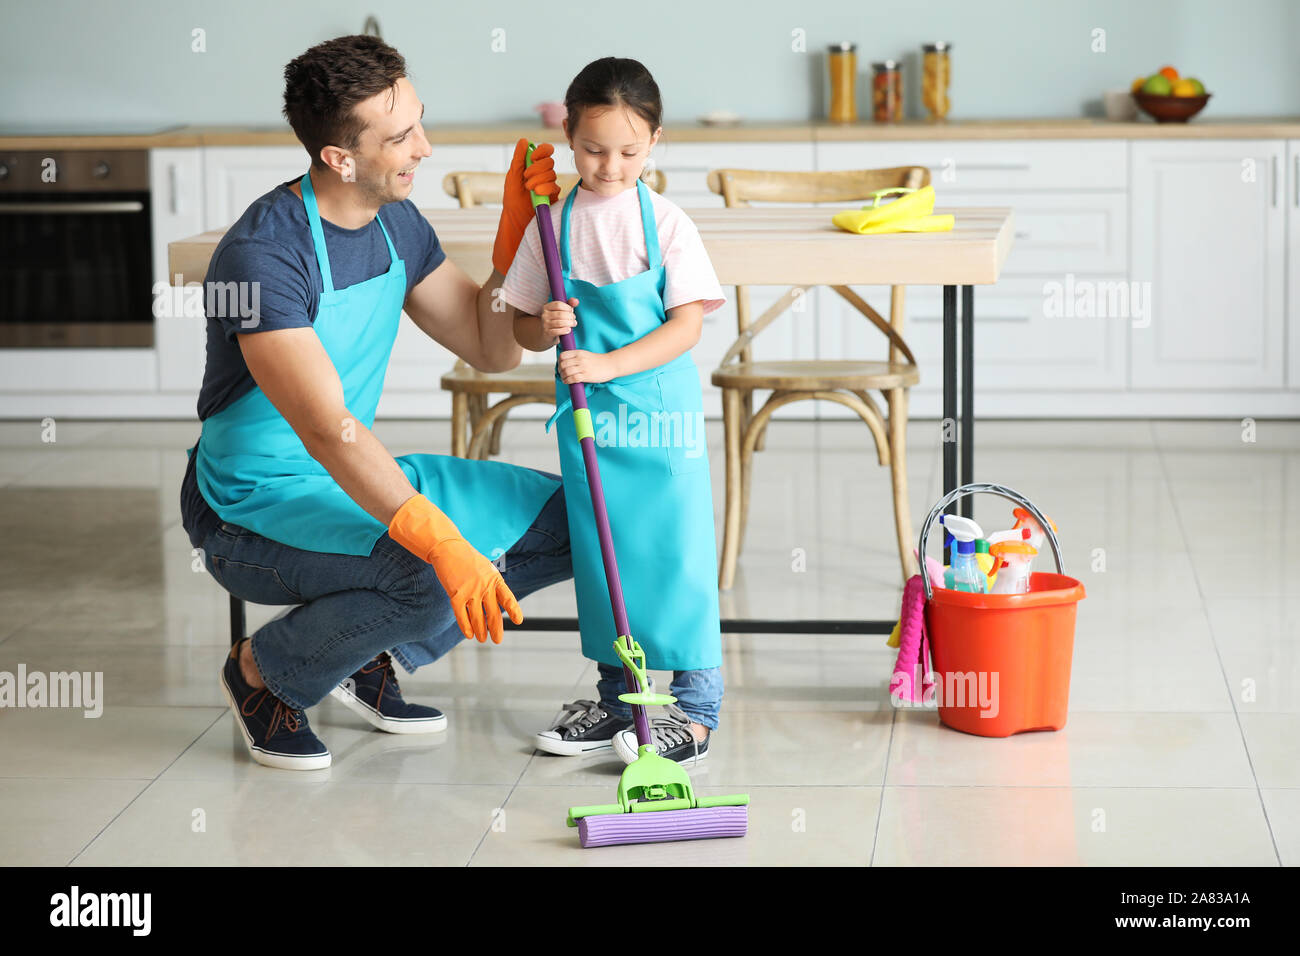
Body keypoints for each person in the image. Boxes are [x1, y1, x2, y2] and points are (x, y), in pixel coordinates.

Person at [178, 35, 570, 770]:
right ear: (338, 158)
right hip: (250, 506)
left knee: (569, 518)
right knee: (427, 569)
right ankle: (266, 674)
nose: (425, 147)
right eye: (400, 138)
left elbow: (492, 349)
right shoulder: (262, 256)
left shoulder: (398, 220)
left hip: (352, 478)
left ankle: (362, 647)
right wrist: (446, 542)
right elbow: (329, 431)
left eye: (420, 121)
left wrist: (515, 235)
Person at [504, 57, 727, 766]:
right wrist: (545, 323)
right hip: (588, 420)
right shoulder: (553, 225)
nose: (610, 166)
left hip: (659, 417)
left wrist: (604, 363)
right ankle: (617, 703)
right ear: (568, 137)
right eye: (594, 149)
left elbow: (685, 327)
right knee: (604, 556)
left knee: (677, 552)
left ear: (654, 142)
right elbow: (517, 331)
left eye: (629, 152)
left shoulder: (665, 223)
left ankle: (693, 711)